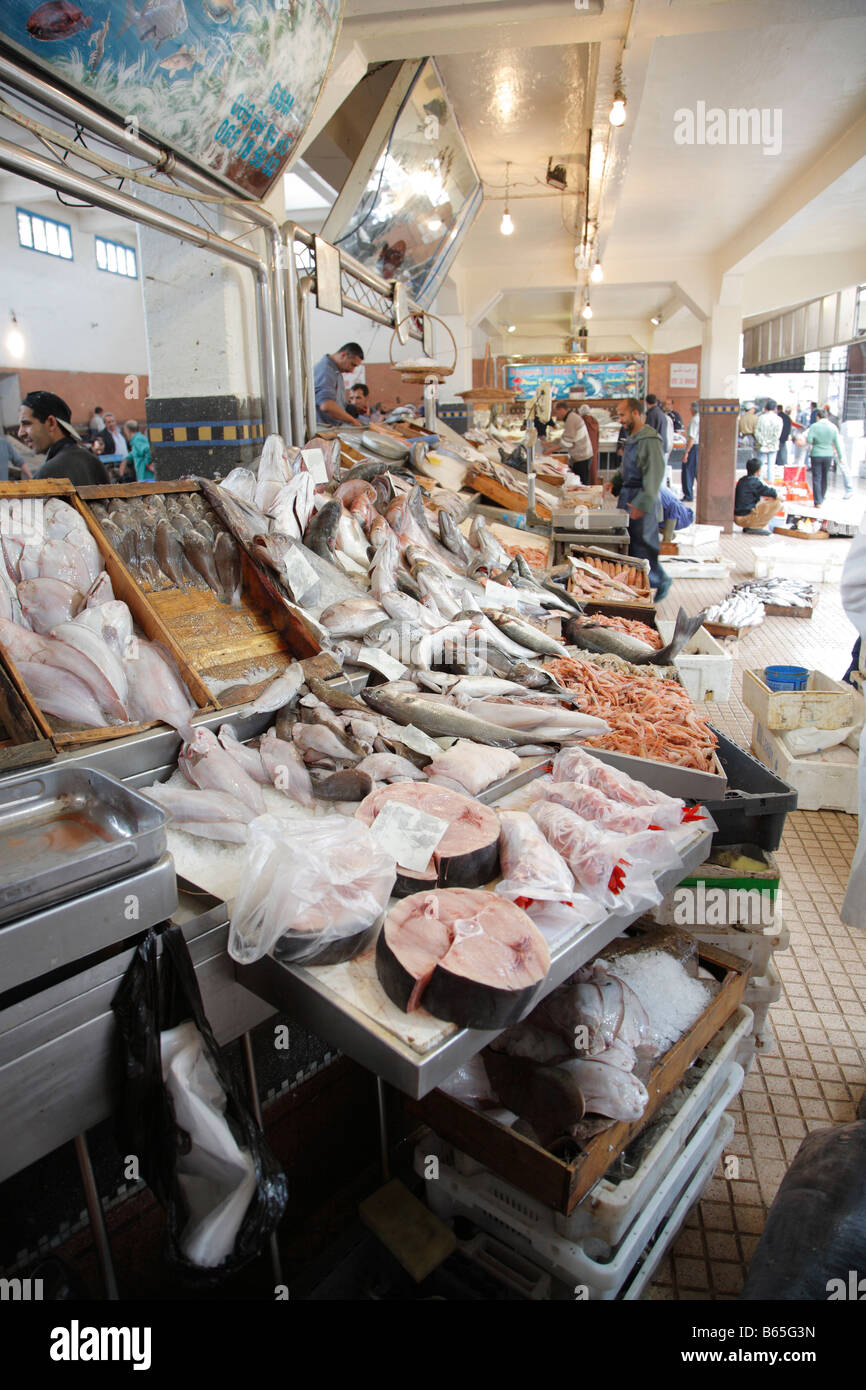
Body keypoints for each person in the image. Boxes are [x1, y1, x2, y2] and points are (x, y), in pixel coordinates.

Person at [616, 396, 670, 601]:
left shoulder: (650, 440)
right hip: (628, 496)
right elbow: (628, 469)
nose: (620, 419)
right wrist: (615, 481)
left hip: (642, 499)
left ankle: (660, 581)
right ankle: (638, 589)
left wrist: (643, 503)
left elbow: (654, 475)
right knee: (632, 546)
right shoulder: (632, 438)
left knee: (645, 547)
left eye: (623, 414)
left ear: (636, 413)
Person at [18, 390, 109, 485]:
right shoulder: (94, 462)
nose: (20, 433)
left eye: (26, 424)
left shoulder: (47, 475)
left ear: (51, 423)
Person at [314, 343, 365, 427]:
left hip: (334, 427)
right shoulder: (325, 371)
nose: (352, 370)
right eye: (352, 364)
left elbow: (339, 404)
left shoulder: (336, 372)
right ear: (343, 355)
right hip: (324, 430)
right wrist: (352, 421)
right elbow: (327, 405)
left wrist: (354, 409)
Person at [544, 399, 594, 483]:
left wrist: (549, 450)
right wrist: (548, 443)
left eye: (556, 412)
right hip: (580, 456)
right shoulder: (570, 417)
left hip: (582, 457)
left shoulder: (571, 419)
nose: (556, 416)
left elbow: (567, 443)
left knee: (581, 484)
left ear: (562, 410)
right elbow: (565, 437)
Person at [805, 409, 848, 506]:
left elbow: (809, 440)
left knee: (816, 478)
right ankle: (822, 497)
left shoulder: (814, 426)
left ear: (817, 417)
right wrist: (840, 456)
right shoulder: (833, 427)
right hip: (828, 455)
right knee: (824, 477)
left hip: (816, 454)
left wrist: (816, 441)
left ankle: (817, 501)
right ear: (827, 417)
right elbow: (837, 443)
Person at [734, 458, 780, 534]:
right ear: (758, 471)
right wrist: (779, 496)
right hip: (743, 518)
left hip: (738, 516)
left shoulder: (743, 479)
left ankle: (751, 525)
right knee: (777, 503)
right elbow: (772, 492)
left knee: (764, 500)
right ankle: (755, 526)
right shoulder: (754, 482)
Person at [646, 394, 673, 485]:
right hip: (663, 447)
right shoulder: (661, 414)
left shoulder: (651, 415)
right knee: (662, 476)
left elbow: (649, 432)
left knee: (655, 477)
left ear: (646, 403)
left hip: (655, 449)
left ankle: (660, 497)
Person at [754, 400, 783, 483]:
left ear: (766, 408)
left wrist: (763, 442)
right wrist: (770, 442)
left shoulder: (761, 418)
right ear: (775, 408)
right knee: (771, 467)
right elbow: (778, 434)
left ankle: (759, 484)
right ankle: (770, 485)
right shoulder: (778, 419)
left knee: (760, 466)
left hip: (762, 446)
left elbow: (757, 432)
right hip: (773, 446)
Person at [681, 401, 699, 501]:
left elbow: (692, 438)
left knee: (688, 471)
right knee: (696, 471)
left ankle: (688, 495)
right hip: (699, 447)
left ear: (692, 409)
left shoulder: (695, 420)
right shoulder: (702, 418)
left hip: (693, 448)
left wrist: (686, 452)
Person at [578, 404, 599, 483]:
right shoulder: (594, 421)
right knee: (592, 470)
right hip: (593, 448)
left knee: (583, 473)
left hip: (582, 450)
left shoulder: (581, 420)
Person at [775, 404, 793, 471]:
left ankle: (778, 464)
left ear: (777, 409)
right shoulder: (787, 417)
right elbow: (789, 428)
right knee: (783, 452)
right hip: (784, 438)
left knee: (778, 453)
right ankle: (784, 465)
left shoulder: (777, 417)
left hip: (777, 438)